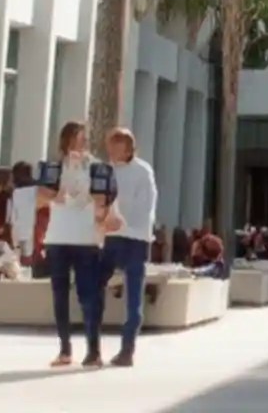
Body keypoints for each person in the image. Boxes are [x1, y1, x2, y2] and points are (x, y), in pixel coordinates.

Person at [37, 121, 109, 368]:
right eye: (76, 138)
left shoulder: (97, 166)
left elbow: (103, 197)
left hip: (84, 237)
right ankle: (64, 348)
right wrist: (54, 195)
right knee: (59, 294)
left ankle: (93, 349)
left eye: (83, 138)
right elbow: (40, 196)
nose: (80, 143)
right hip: (58, 236)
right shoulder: (54, 167)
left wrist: (88, 196)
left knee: (88, 294)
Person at [97, 127, 155, 367]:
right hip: (108, 239)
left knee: (133, 298)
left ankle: (127, 349)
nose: (110, 151)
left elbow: (145, 207)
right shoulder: (104, 170)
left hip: (135, 239)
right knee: (92, 287)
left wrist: (122, 222)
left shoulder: (143, 171)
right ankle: (93, 347)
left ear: (128, 147)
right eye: (109, 145)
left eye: (115, 146)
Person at [7, 161, 37, 265]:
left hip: (22, 232)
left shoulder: (14, 193)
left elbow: (11, 218)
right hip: (32, 232)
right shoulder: (37, 191)